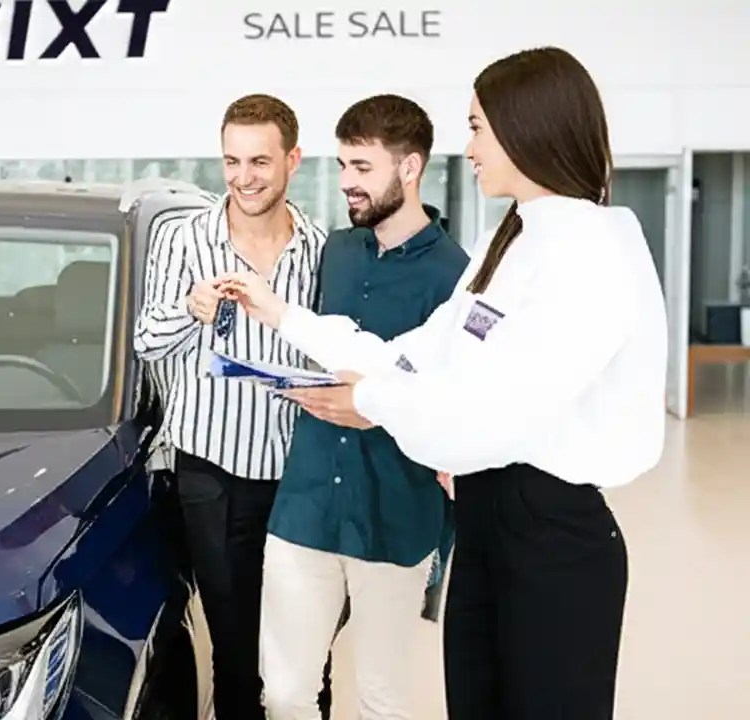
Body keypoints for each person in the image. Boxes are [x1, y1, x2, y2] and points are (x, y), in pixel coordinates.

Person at [220, 46, 667, 719]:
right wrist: (281, 314)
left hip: (551, 534)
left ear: (527, 126)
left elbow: (493, 411)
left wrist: (368, 401)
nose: (470, 146)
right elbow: (419, 356)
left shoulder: (590, 249)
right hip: (487, 520)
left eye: (479, 126)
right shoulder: (509, 239)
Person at [238, 94, 468, 720]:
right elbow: (322, 345)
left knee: (381, 698)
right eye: (342, 167)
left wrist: (380, 407)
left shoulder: (458, 277)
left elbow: (454, 401)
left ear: (410, 167)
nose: (346, 184)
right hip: (307, 504)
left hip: (396, 513)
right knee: (284, 692)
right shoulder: (335, 251)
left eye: (362, 168)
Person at [133, 93, 327, 720]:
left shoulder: (322, 250)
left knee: (304, 653)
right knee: (235, 650)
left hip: (297, 477)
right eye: (232, 161)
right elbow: (145, 340)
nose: (244, 177)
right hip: (211, 471)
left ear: (292, 160)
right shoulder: (184, 239)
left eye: (260, 162)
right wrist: (188, 309)